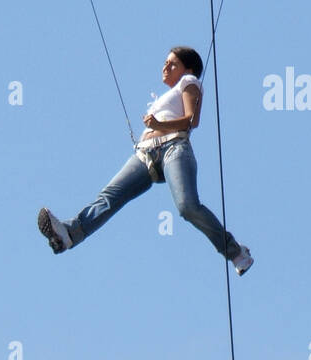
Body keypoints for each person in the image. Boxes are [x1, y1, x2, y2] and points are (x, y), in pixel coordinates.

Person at [37, 46, 254, 275]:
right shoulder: (165, 97)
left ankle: (236, 252)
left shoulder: (189, 82)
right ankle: (69, 234)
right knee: (110, 196)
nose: (165, 67)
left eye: (173, 64)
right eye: (165, 62)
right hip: (146, 153)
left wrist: (159, 126)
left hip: (174, 148)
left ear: (187, 69)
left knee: (187, 207)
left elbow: (191, 120)